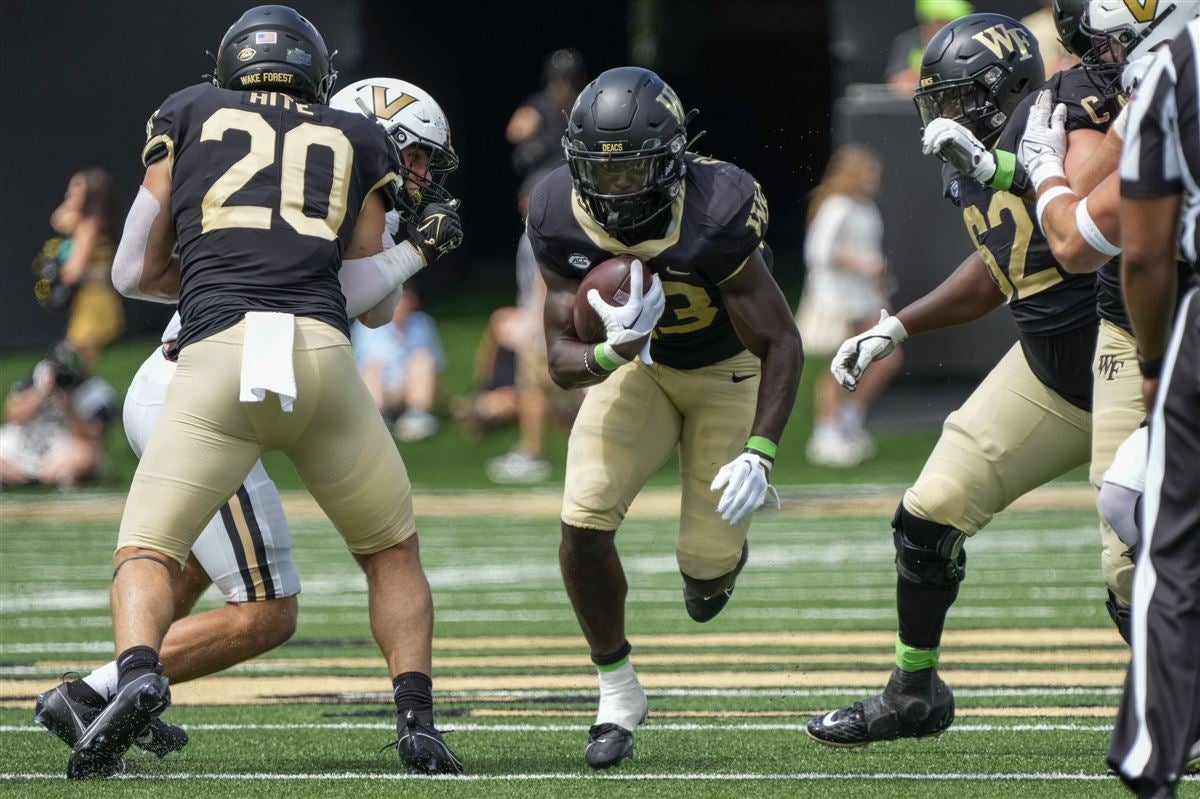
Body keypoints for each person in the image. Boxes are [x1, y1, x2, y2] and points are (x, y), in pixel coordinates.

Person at [66, 6, 463, 780]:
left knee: (147, 549)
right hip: (317, 354)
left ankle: (139, 670)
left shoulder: (186, 111)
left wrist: (221, 269)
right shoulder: (356, 139)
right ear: (318, 76)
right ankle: (415, 719)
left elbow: (126, 274)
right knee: (390, 552)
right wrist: (416, 249)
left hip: (213, 360)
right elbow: (367, 300)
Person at [807, 14, 1104, 748]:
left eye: (957, 98)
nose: (942, 116)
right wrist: (896, 325)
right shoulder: (967, 154)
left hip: (1129, 356)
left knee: (1137, 554)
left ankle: (1178, 703)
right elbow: (1002, 264)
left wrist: (1005, 165)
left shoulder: (1076, 110)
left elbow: (1089, 227)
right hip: (1050, 368)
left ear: (1000, 94)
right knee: (928, 513)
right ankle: (914, 690)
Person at [527, 66, 802, 769]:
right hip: (638, 369)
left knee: (704, 580)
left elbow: (780, 339)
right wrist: (612, 353)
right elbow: (559, 358)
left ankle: (719, 563)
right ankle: (616, 689)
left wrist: (762, 450)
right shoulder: (556, 208)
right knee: (583, 519)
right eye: (602, 174)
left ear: (674, 160)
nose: (616, 193)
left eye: (633, 174)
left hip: (727, 369)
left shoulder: (718, 206)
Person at [1107, 19, 1200, 796]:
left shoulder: (1177, 61)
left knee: (1172, 555)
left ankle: (1153, 762)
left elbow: (1142, 248)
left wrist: (1151, 357)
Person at [796, 144, 900, 467]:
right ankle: (825, 435)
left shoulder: (866, 207)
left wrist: (879, 289)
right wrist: (862, 263)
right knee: (842, 362)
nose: (873, 179)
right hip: (837, 299)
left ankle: (847, 423)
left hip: (865, 296)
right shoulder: (836, 206)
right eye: (867, 173)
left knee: (887, 358)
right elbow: (817, 253)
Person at [0, 342, 116, 488]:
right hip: (23, 444)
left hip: (63, 450)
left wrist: (68, 406)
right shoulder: (40, 376)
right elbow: (12, 415)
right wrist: (41, 392)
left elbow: (92, 438)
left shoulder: (97, 393)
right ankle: (29, 478)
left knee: (88, 456)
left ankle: (28, 478)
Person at [43, 169, 125, 369]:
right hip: (92, 299)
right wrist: (73, 201)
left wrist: (52, 274)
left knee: (75, 365)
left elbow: (73, 271)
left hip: (94, 302)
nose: (70, 193)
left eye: (77, 188)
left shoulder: (89, 226)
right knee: (78, 364)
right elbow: (58, 219)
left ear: (91, 194)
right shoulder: (89, 222)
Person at [353, 286, 446, 442]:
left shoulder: (422, 323)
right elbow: (360, 367)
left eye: (404, 302)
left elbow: (435, 365)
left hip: (410, 387)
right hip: (381, 389)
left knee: (421, 358)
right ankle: (377, 416)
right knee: (373, 365)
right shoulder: (367, 327)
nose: (400, 308)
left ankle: (417, 414)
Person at [508, 48, 588, 217]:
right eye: (556, 80)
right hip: (543, 176)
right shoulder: (540, 104)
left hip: (580, 175)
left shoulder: (586, 107)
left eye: (567, 80)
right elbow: (514, 132)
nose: (560, 86)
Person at [885, 0, 975, 96]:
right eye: (939, 21)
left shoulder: (966, 45)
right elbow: (899, 84)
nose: (942, 27)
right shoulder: (908, 41)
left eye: (949, 23)